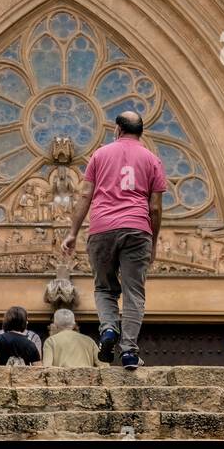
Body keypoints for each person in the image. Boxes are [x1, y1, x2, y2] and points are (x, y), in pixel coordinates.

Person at [62, 110, 167, 369]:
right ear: (141, 132)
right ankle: (129, 351)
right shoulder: (153, 160)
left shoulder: (99, 155)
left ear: (117, 130)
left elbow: (85, 195)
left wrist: (72, 233)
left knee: (104, 288)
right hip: (137, 229)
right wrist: (152, 242)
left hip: (102, 229)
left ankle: (108, 330)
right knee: (134, 292)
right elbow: (155, 208)